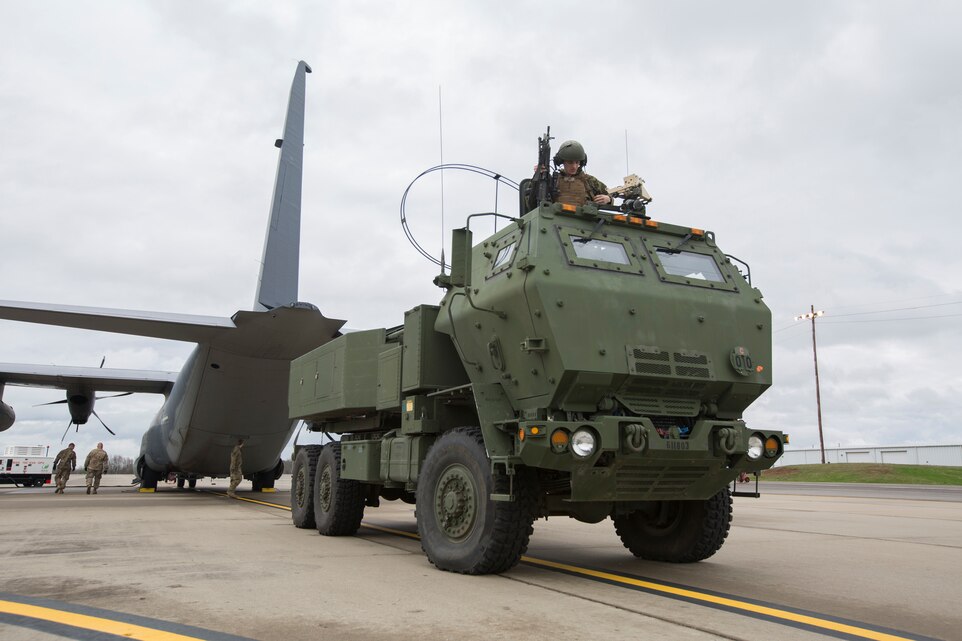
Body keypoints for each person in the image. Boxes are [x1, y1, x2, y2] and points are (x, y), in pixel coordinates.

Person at [529, 139, 612, 208]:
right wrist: (538, 177)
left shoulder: (590, 181)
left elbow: (609, 195)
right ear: (562, 161)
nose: (574, 166)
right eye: (570, 162)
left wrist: (608, 199)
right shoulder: (552, 180)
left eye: (577, 162)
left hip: (584, 220)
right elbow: (530, 201)